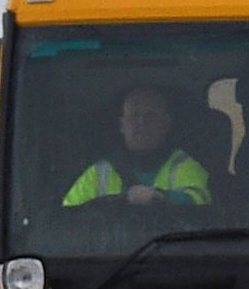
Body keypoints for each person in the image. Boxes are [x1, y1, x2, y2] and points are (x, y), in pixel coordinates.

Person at [61, 86, 213, 209]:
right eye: (134, 115)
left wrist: (161, 198)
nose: (141, 122)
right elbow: (68, 216)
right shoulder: (97, 174)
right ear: (122, 125)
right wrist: (118, 201)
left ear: (166, 123)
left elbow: (200, 201)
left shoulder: (183, 166)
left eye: (151, 115)